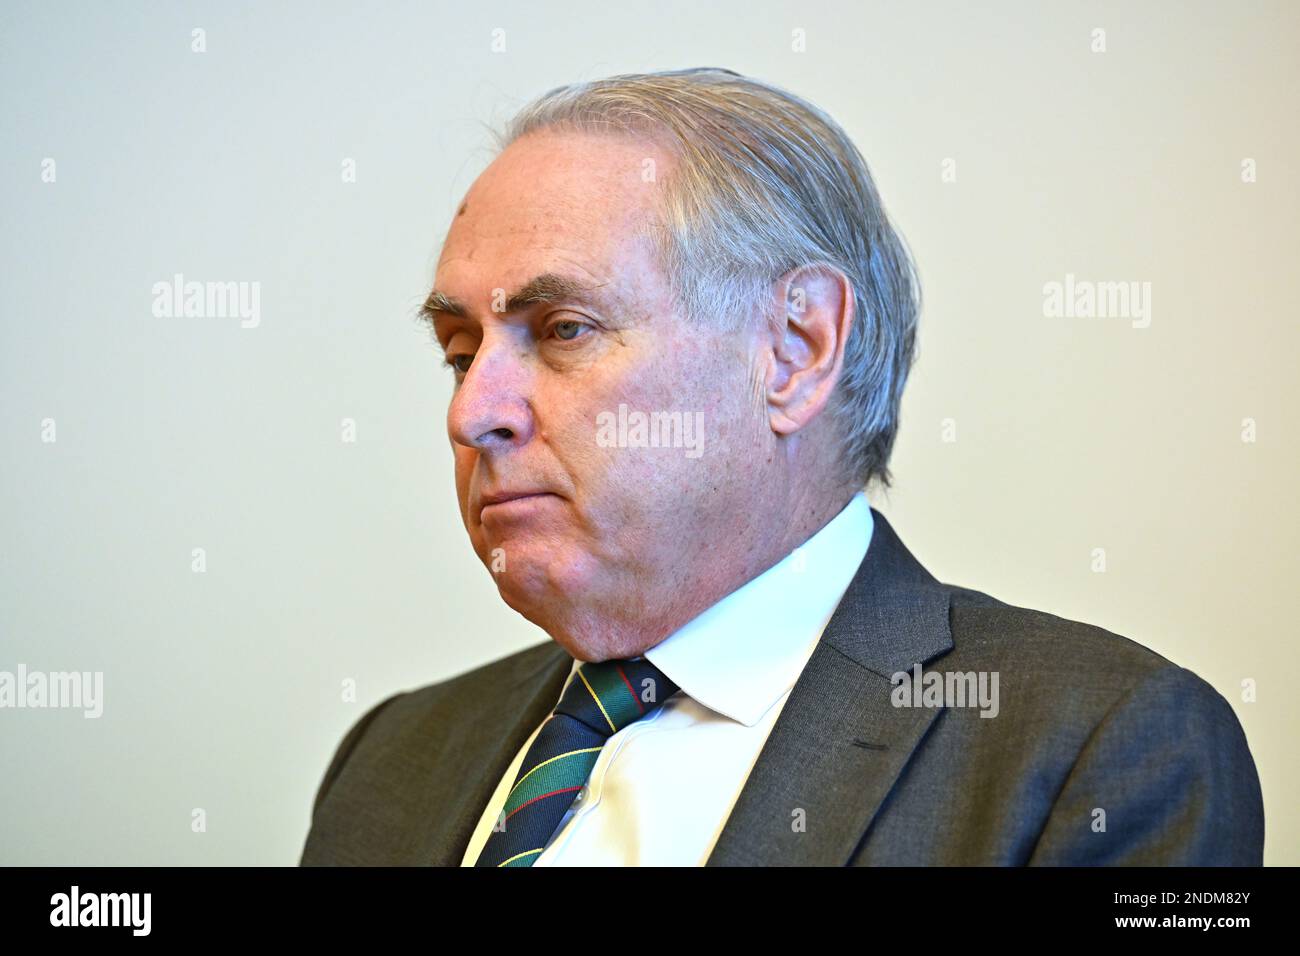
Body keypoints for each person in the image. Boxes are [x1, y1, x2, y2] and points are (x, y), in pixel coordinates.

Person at [299, 68, 1263, 866]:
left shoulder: (1101, 747)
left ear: (795, 350)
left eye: (564, 330)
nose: (474, 414)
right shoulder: (391, 759)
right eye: (462, 352)